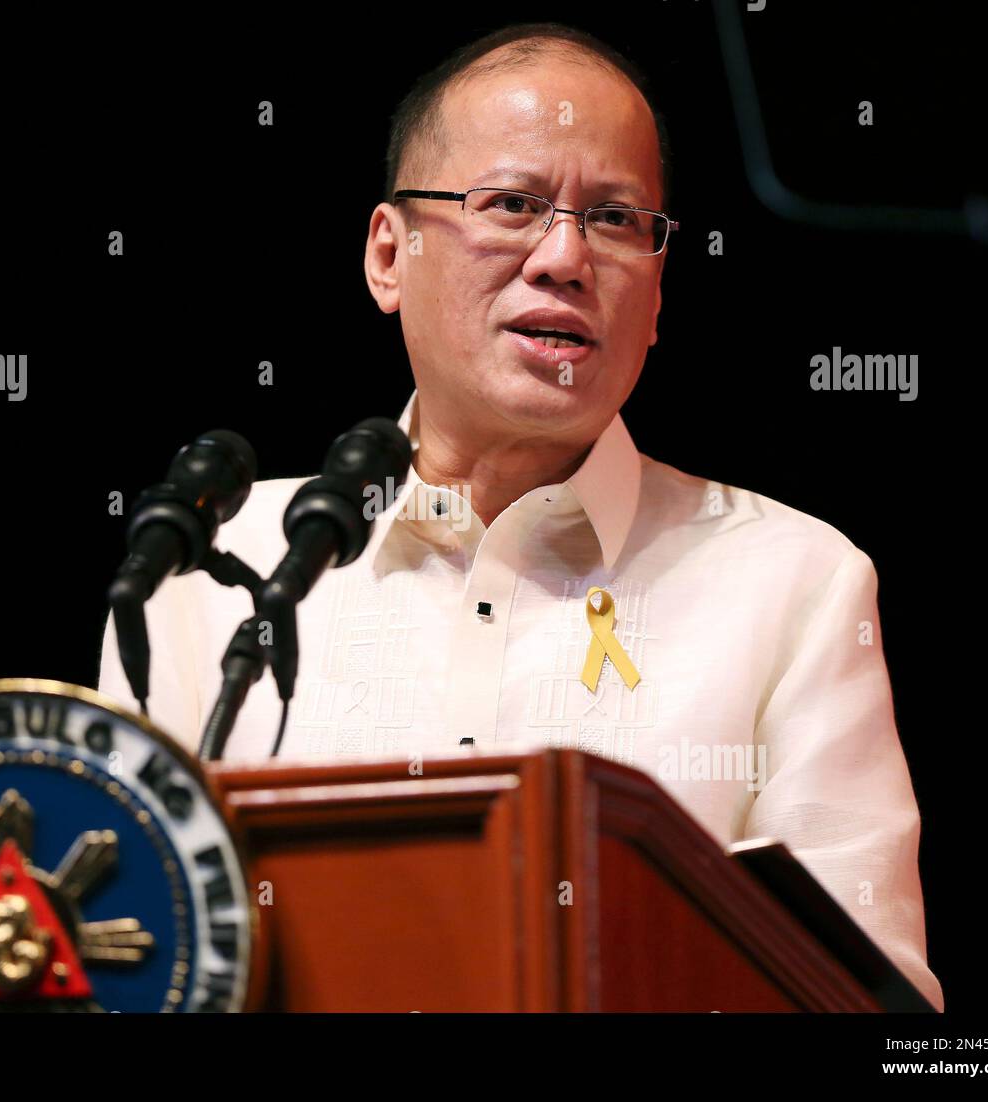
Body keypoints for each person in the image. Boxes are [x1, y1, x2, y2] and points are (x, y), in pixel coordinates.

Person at [98, 23, 944, 1010]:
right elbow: (122, 955)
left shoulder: (792, 581)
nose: (564, 256)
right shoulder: (217, 564)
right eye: (510, 205)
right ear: (387, 254)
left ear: (659, 289)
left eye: (618, 219)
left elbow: (872, 1008)